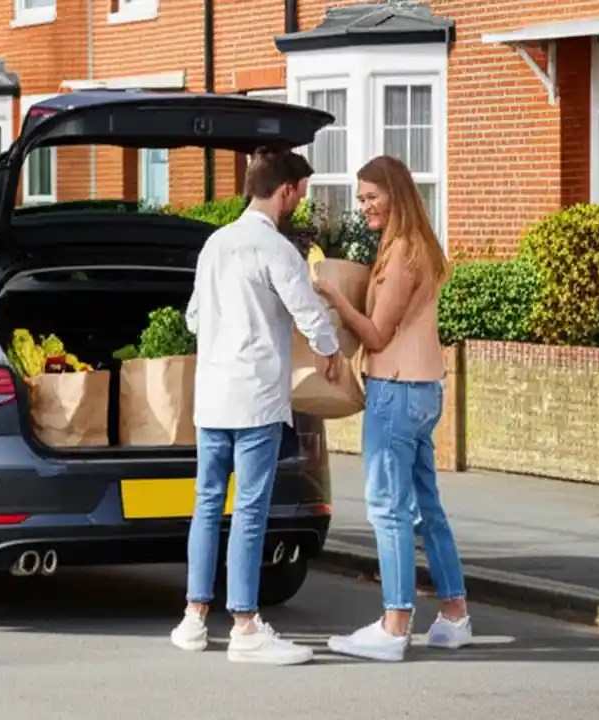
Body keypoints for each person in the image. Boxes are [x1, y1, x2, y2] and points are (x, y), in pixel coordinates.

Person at [170, 149, 341, 664]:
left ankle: (194, 620)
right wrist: (330, 351)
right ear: (285, 190)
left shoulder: (214, 244)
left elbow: (194, 318)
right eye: (301, 193)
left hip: (212, 398)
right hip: (256, 401)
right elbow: (307, 310)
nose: (300, 203)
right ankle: (245, 624)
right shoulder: (275, 248)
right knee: (249, 511)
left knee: (206, 504)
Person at [315, 155, 472, 662]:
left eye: (370, 196)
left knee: (387, 507)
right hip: (424, 390)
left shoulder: (403, 250)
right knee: (427, 507)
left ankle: (395, 624)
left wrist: (336, 297)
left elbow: (378, 333)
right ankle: (454, 615)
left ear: (395, 193)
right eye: (360, 199)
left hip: (397, 390)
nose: (363, 207)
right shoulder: (419, 244)